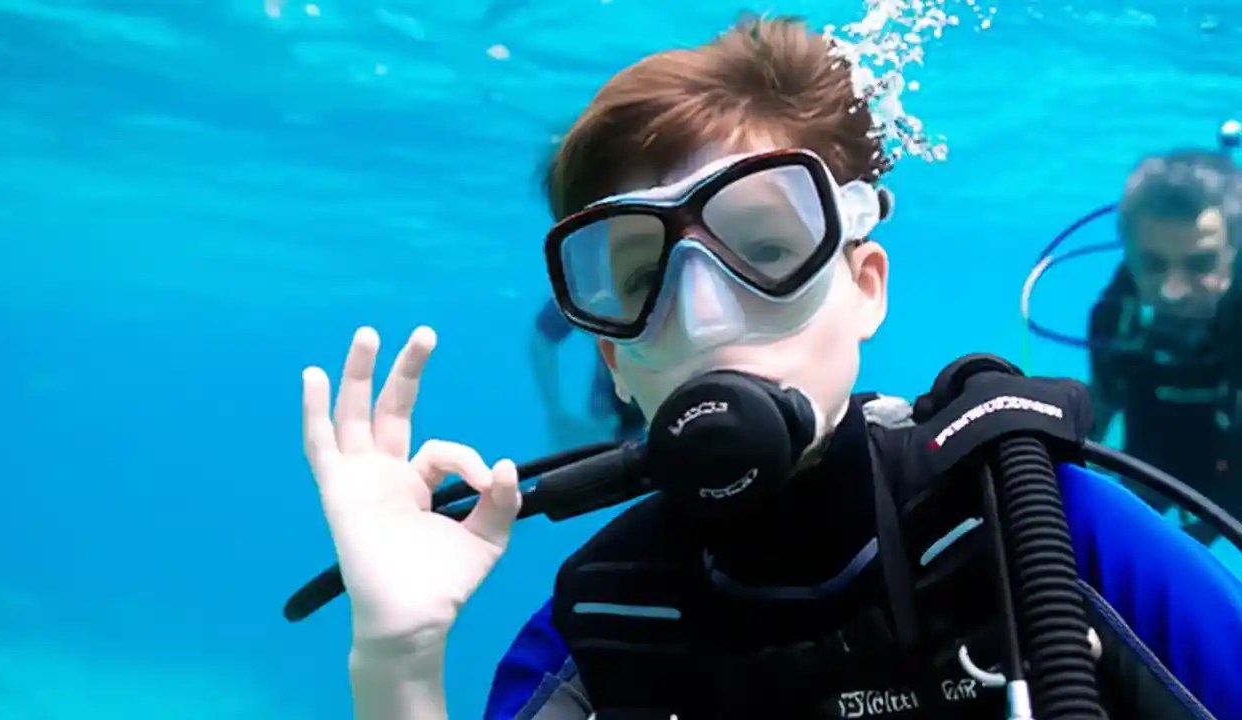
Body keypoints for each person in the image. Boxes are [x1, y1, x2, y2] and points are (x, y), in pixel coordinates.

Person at [294, 16, 1242, 720]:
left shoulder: (1037, 531)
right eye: (637, 275)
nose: (705, 312)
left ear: (866, 283)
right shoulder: (606, 621)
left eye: (764, 244)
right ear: (614, 358)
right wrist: (397, 663)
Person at [1084, 147, 1242, 541]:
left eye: (1201, 263)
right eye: (1153, 264)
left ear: (1235, 252)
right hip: (1148, 465)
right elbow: (1100, 412)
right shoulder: (1114, 318)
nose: (1173, 291)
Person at [531, 298, 647, 448]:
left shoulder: (589, 282)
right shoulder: (587, 280)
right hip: (612, 411)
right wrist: (555, 413)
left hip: (613, 410)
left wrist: (555, 412)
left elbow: (541, 339)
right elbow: (541, 339)